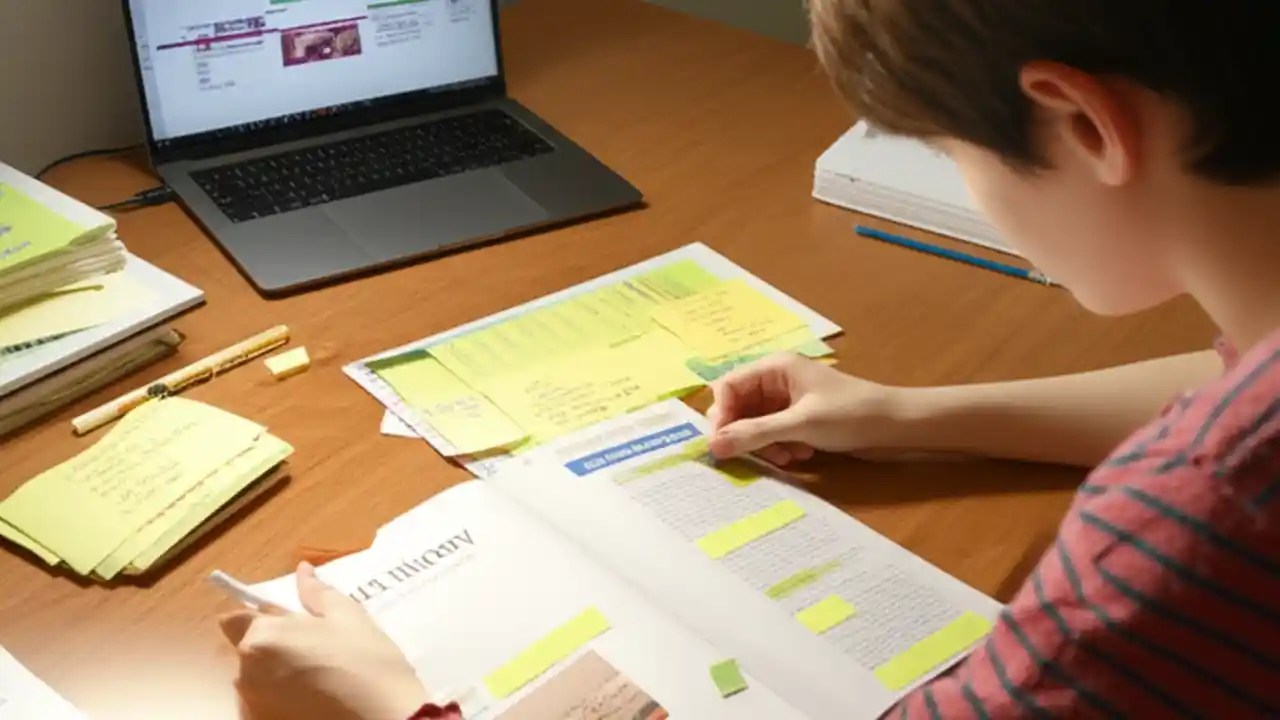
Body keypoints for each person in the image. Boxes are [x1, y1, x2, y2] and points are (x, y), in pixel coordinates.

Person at [219, 0, 1280, 717]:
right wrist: (904, 416)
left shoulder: (1179, 538)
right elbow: (1230, 378)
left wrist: (395, 708)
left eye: (947, 151)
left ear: (1082, 126)